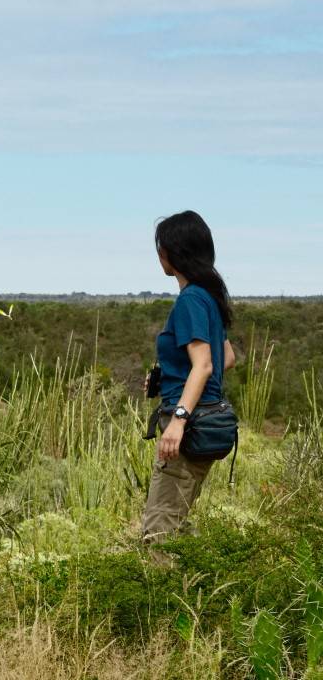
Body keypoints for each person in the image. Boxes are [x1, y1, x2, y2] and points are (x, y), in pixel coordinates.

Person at [140, 210, 238, 544]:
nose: (159, 255)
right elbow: (227, 357)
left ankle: (161, 595)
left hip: (190, 425)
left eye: (161, 247)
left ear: (173, 252)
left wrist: (179, 419)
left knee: (159, 534)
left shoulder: (191, 300)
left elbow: (205, 365)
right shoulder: (210, 296)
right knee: (177, 526)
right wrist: (170, 376)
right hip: (209, 419)